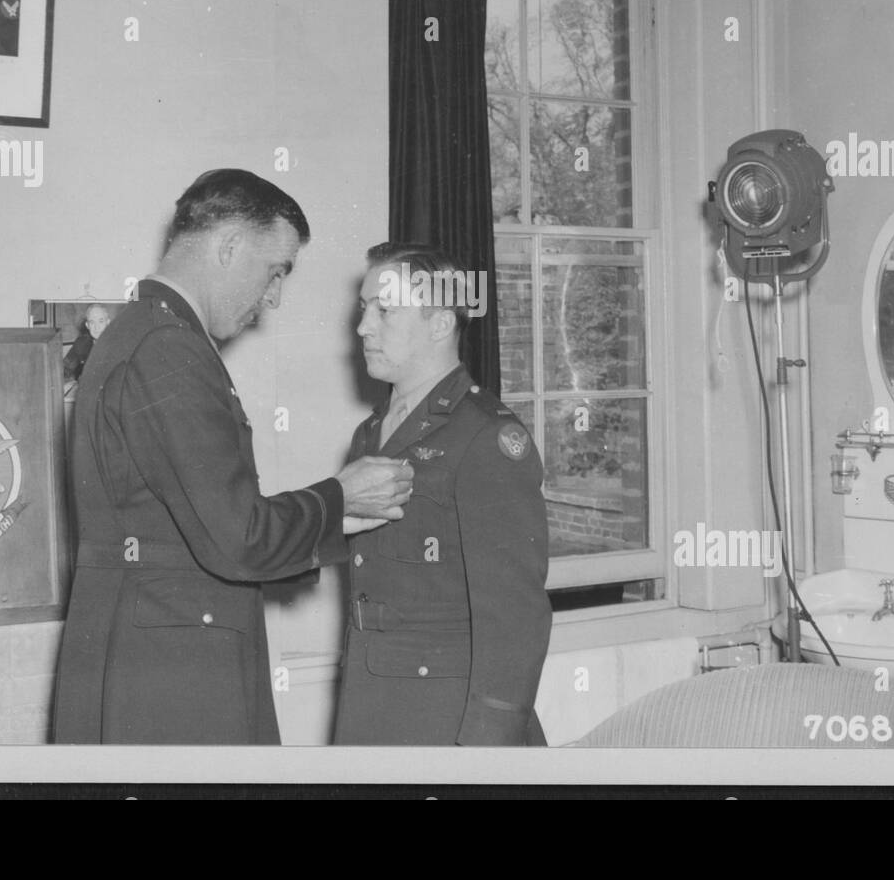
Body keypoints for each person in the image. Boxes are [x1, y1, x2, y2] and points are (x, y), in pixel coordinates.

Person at [52, 170, 412, 745]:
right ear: (229, 247)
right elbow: (238, 538)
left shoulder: (140, 333)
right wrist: (339, 496)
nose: (273, 298)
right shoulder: (169, 348)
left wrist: (336, 514)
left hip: (145, 651)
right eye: (276, 272)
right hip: (174, 671)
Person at [333, 243, 552, 746]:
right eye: (364, 309)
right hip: (371, 704)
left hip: (448, 718)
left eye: (384, 310)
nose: (363, 327)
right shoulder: (370, 436)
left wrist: (486, 744)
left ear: (439, 324)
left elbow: (516, 615)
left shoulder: (485, 438)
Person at [62, 304, 112, 383]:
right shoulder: (82, 344)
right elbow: (64, 370)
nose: (97, 327)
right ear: (87, 325)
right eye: (92, 322)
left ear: (108, 323)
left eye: (101, 321)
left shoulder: (118, 345)